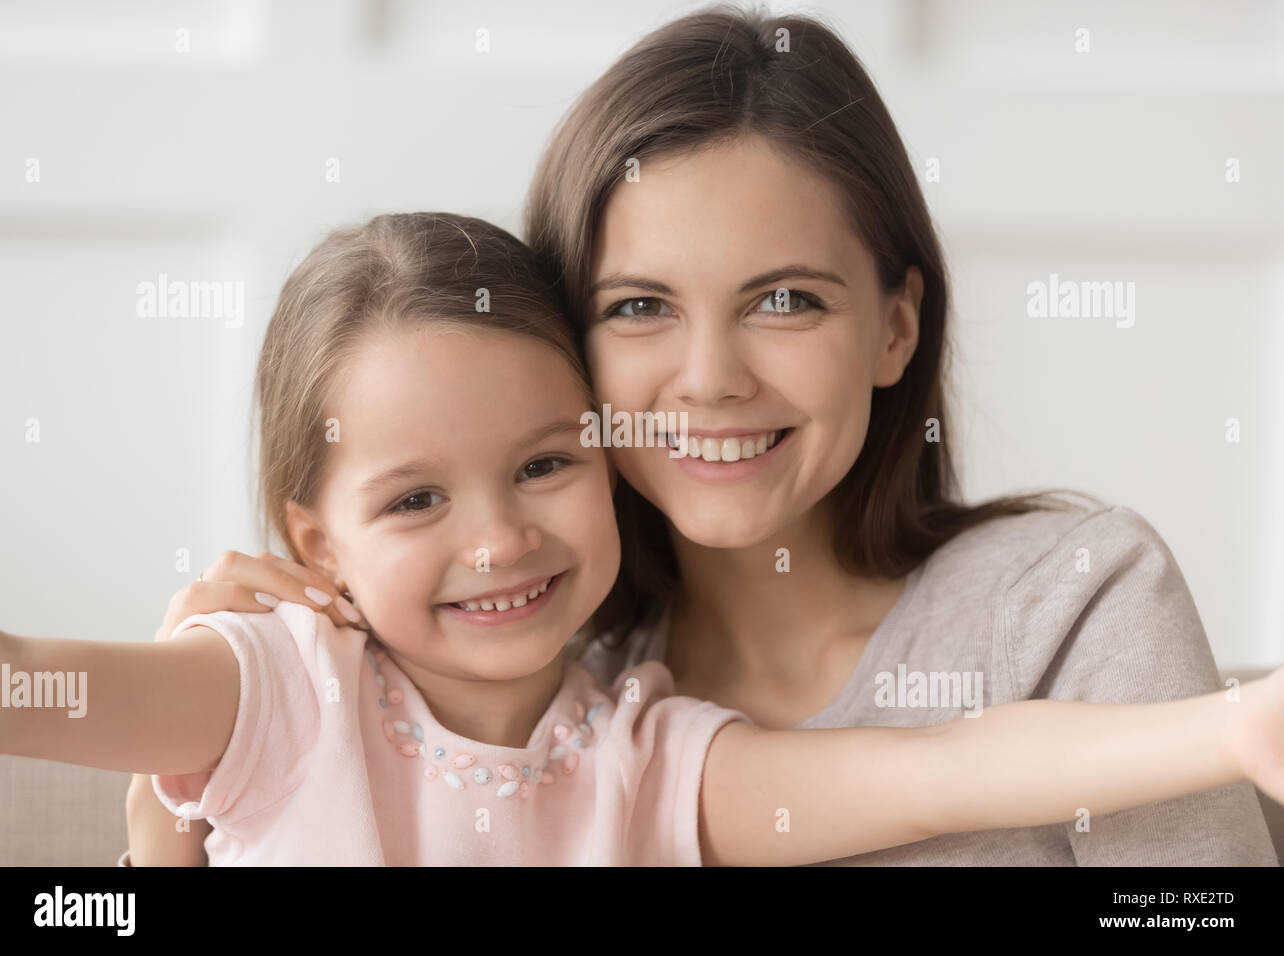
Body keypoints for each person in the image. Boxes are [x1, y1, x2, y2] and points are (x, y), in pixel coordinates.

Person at [122, 7, 1278, 864]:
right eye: (637, 307)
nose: (711, 379)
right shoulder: (529, 678)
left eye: (785, 300)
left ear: (893, 327)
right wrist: (183, 764)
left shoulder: (1066, 597)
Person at [0, 211, 1282, 866]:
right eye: (415, 500)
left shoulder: (652, 760)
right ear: (312, 542)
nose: (499, 539)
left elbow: (943, 766)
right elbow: (19, 683)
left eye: (547, 464)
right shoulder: (273, 687)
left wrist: (1224, 729)